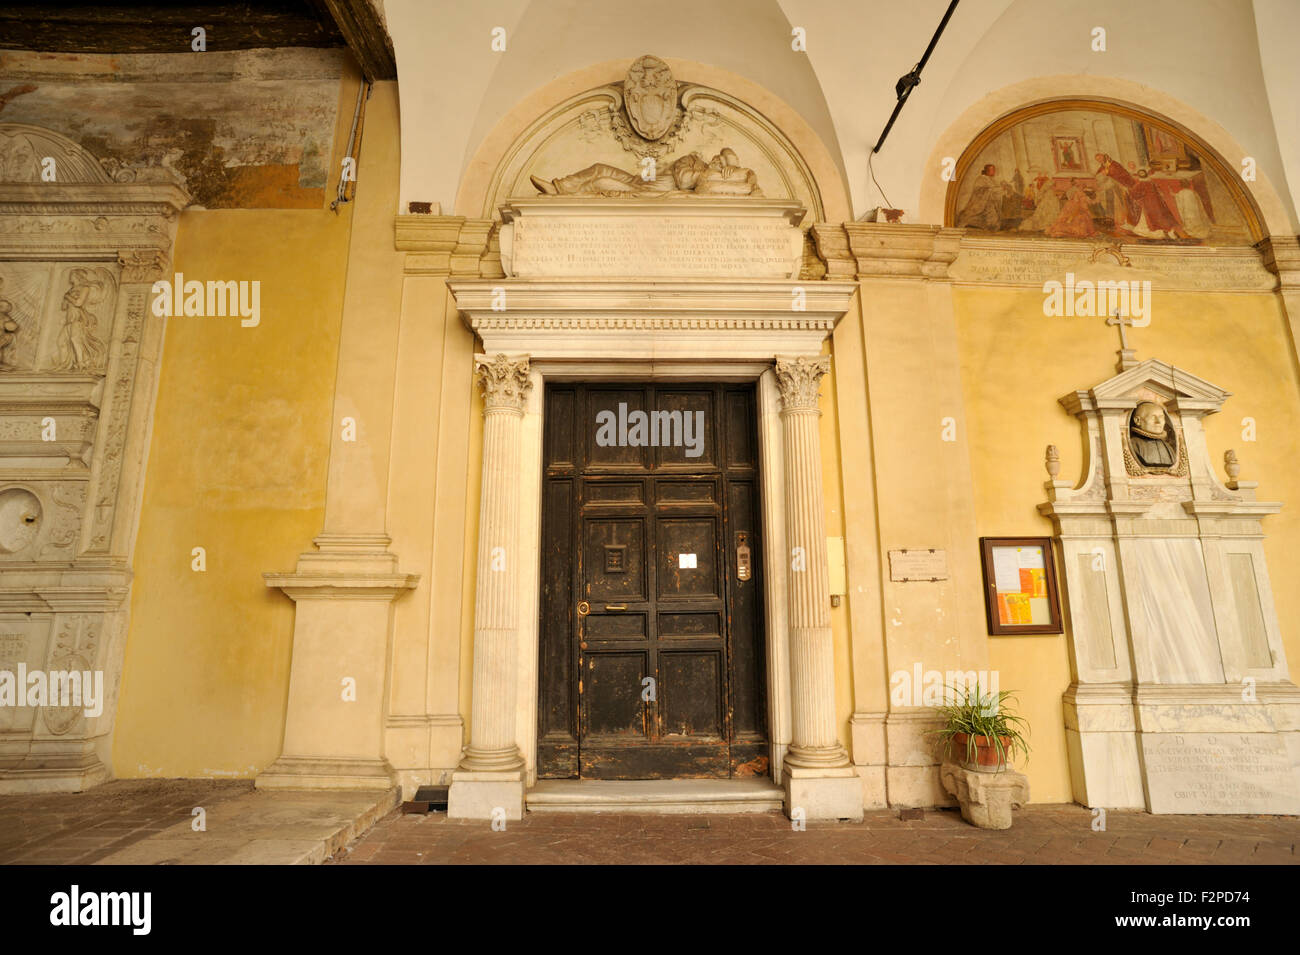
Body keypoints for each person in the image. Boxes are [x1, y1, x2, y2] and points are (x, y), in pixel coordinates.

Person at [1129, 401, 1176, 467]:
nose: (1158, 422)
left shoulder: (1167, 446)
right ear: (1137, 421)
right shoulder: (1133, 444)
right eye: (1153, 417)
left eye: (1161, 417)